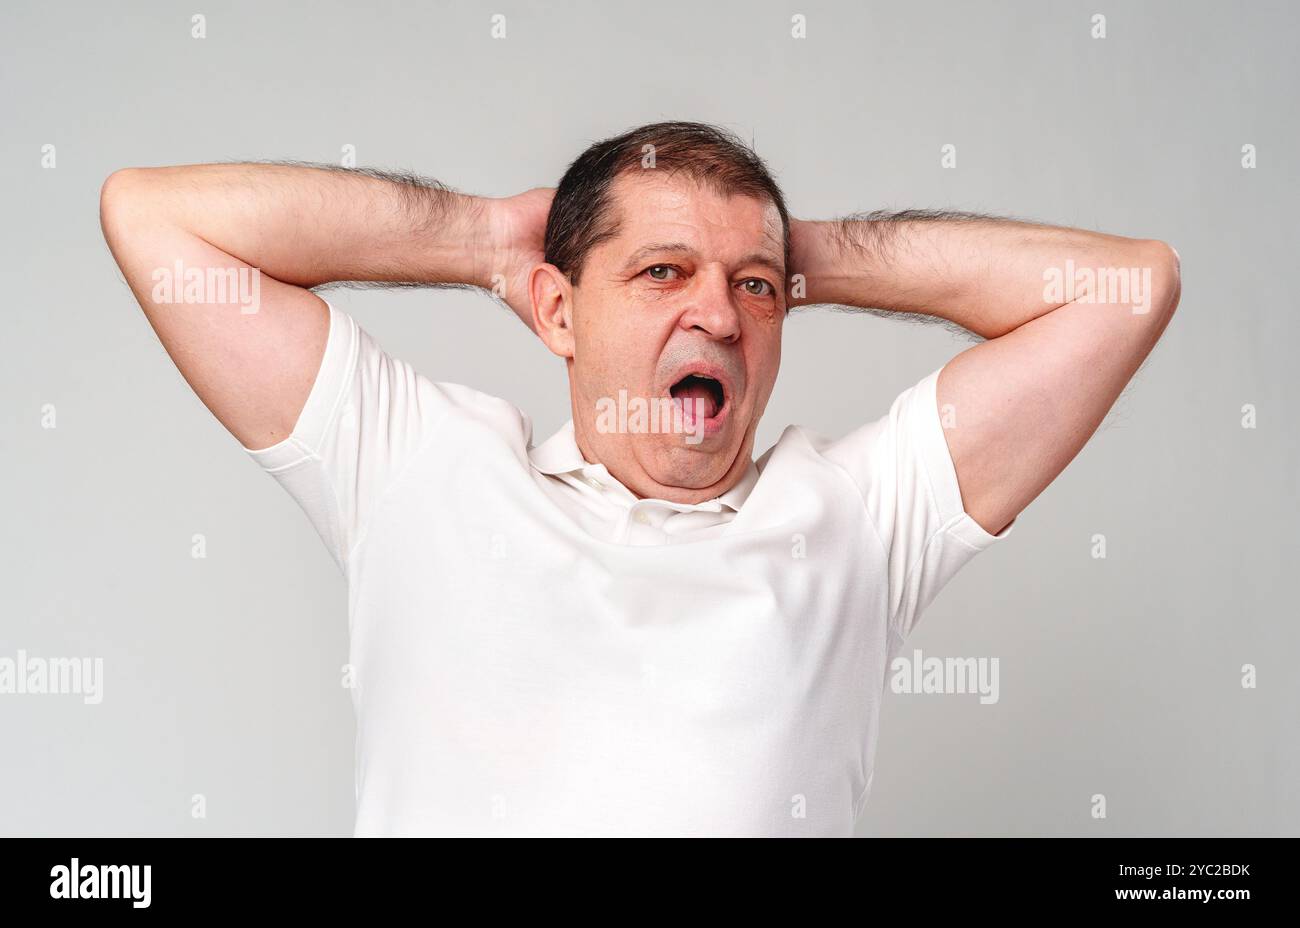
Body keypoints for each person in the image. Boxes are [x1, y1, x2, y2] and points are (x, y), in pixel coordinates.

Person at [99, 121, 1181, 836]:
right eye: (661, 271)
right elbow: (156, 219)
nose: (715, 312)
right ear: (558, 312)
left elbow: (1127, 290)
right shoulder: (418, 471)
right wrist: (481, 238)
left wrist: (806, 251)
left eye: (753, 290)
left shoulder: (848, 521)